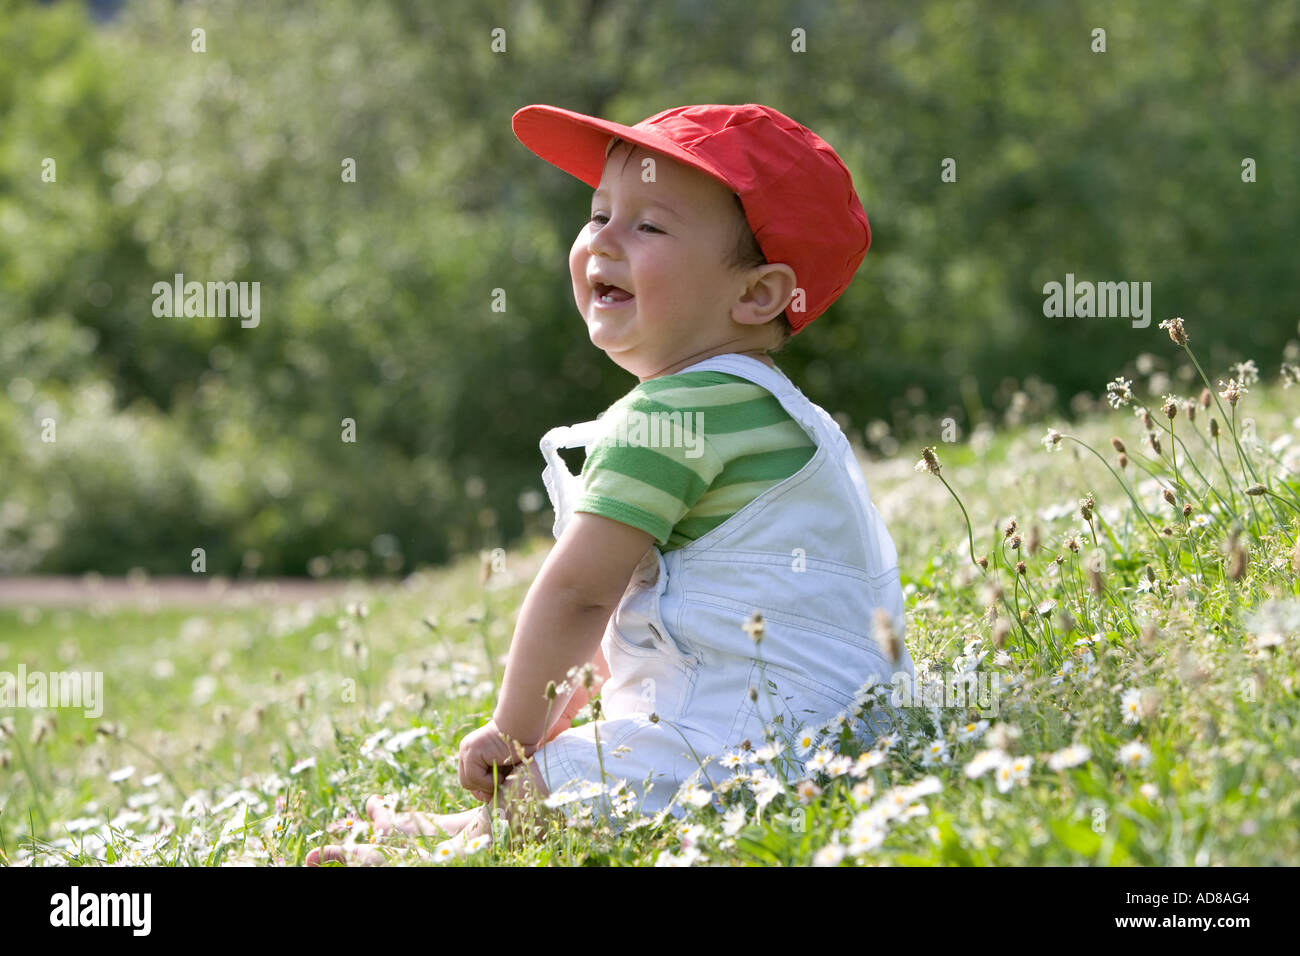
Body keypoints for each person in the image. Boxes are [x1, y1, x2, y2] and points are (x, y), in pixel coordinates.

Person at [307, 103, 913, 865]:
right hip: (846, 732)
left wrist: (516, 734)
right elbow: (620, 626)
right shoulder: (772, 409)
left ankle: (443, 856)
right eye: (598, 213)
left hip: (758, 748)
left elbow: (580, 596)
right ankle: (467, 830)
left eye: (648, 226)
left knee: (551, 785)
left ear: (757, 296)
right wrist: (565, 717)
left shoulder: (669, 416)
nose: (602, 240)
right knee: (580, 767)